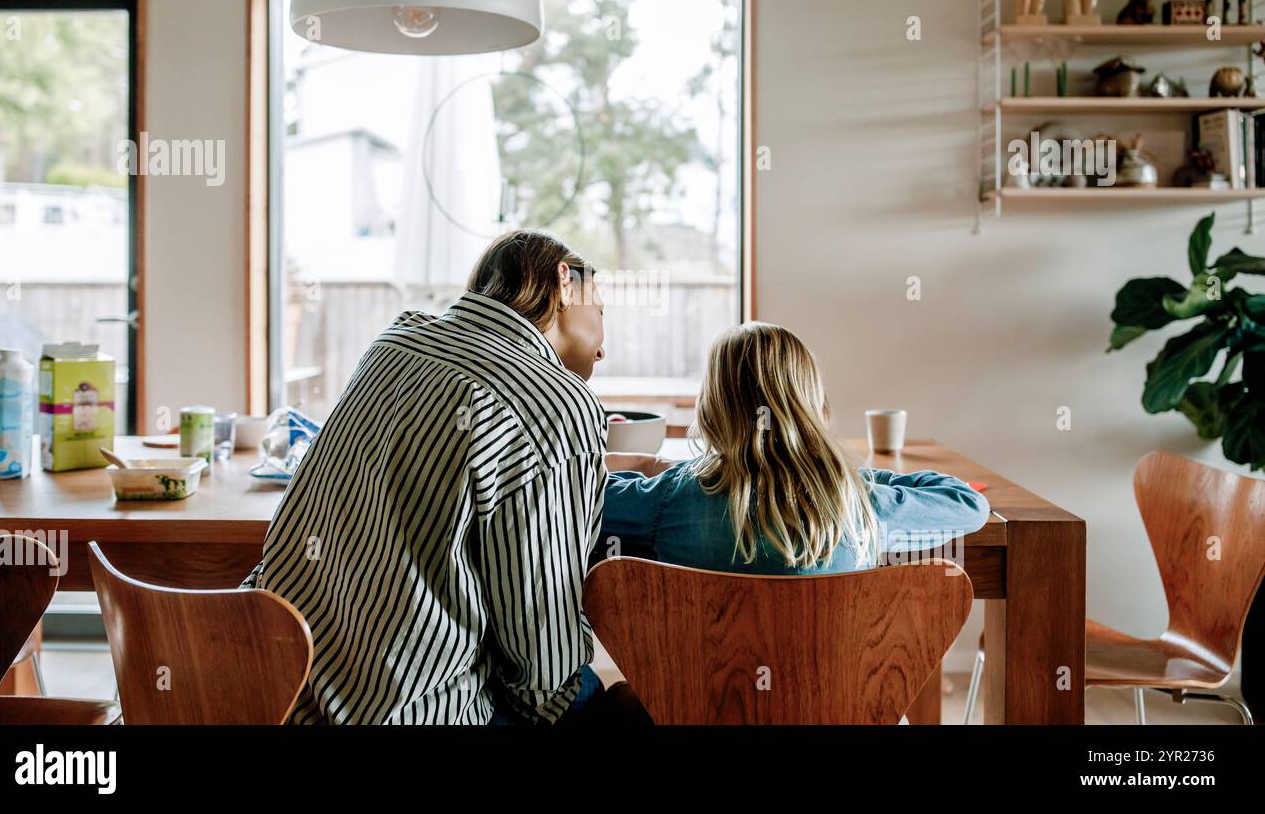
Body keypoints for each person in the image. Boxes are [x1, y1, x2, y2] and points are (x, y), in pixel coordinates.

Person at [245, 230, 610, 724]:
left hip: (268, 684)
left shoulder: (394, 340)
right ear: (565, 284)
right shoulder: (557, 402)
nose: (603, 349)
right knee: (593, 692)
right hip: (406, 711)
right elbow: (539, 644)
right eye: (602, 312)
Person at [601, 322, 989, 574]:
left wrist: (653, 468)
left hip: (692, 701)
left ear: (713, 408)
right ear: (812, 407)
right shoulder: (861, 504)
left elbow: (570, 495)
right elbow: (968, 504)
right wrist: (847, 475)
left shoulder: (668, 500)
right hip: (836, 701)